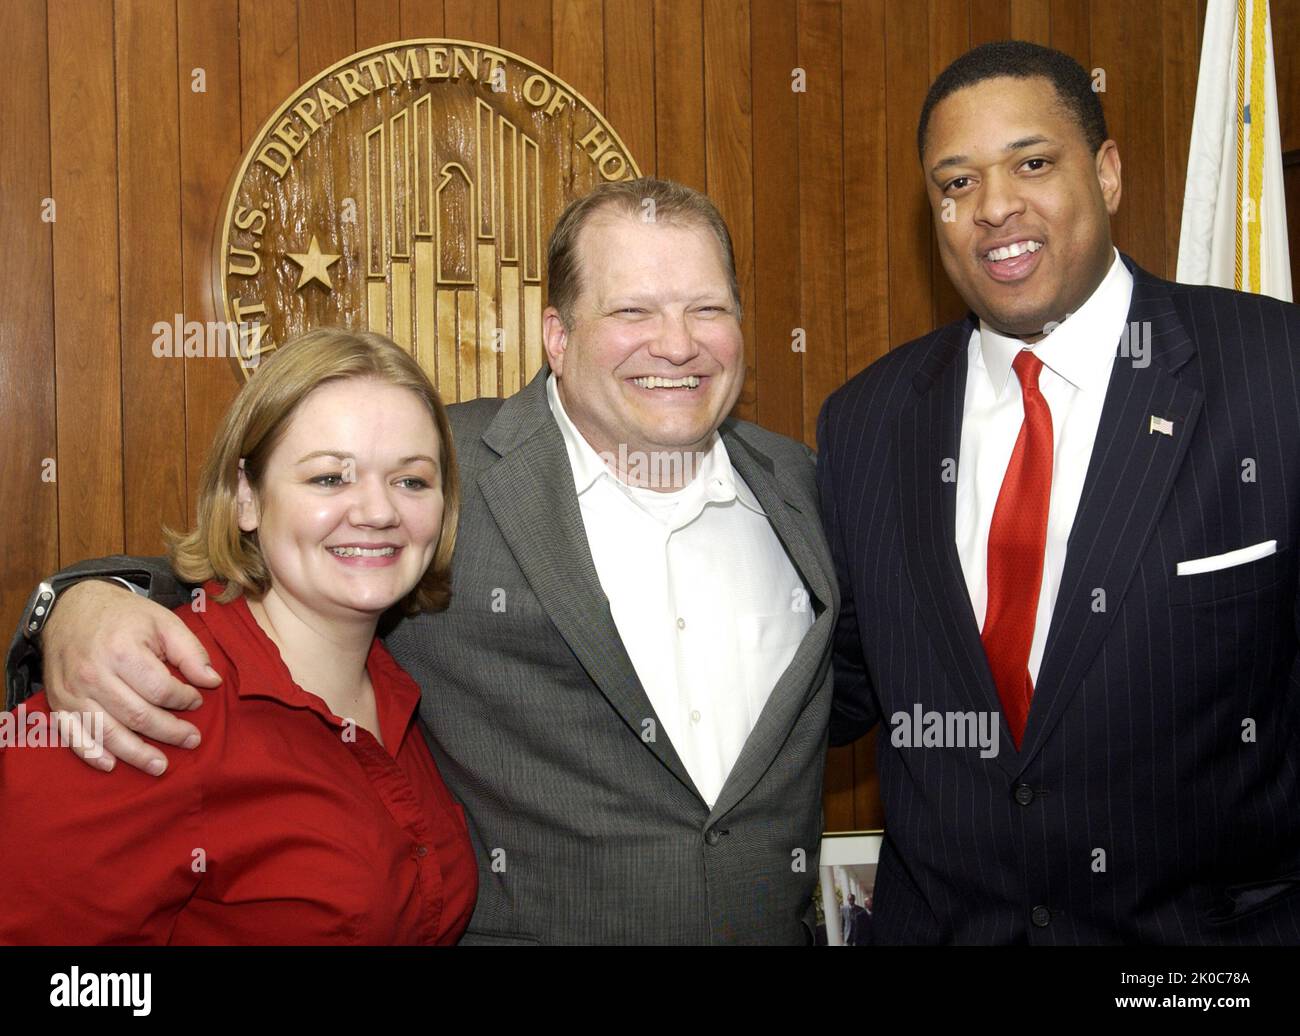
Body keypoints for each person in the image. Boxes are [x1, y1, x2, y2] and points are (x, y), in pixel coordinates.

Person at [7, 178, 837, 945]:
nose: (677, 344)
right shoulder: (446, 469)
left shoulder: (804, 485)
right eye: (632, 311)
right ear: (557, 334)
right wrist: (79, 602)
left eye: (708, 309)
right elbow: (249, 576)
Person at [818, 40, 1300, 944]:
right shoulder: (866, 424)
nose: (995, 207)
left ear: (1108, 173)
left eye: (1032, 163)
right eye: (954, 184)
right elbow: (836, 685)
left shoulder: (1276, 375)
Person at [0, 329, 477, 944]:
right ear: (247, 498)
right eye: (330, 478)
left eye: (412, 480)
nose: (378, 511)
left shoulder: (398, 689)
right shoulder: (149, 697)